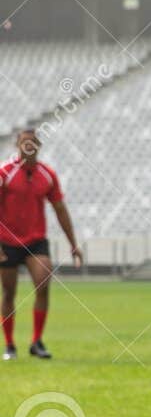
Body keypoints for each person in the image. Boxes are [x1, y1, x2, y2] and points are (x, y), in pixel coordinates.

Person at [0, 128, 83, 360]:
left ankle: (36, 341)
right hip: (6, 241)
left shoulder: (47, 175)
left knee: (43, 282)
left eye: (33, 141)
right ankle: (9, 345)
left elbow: (60, 209)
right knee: (8, 292)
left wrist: (73, 243)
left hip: (36, 240)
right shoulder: (5, 172)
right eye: (24, 142)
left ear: (38, 145)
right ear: (17, 145)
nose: (29, 145)